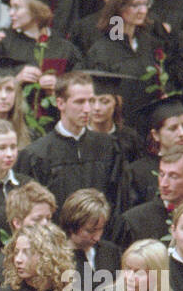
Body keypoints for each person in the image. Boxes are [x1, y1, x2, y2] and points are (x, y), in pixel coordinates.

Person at [17, 72, 122, 207]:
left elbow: (117, 201)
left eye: (89, 101)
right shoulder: (36, 154)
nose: (87, 109)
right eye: (79, 102)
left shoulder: (108, 146)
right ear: (60, 103)